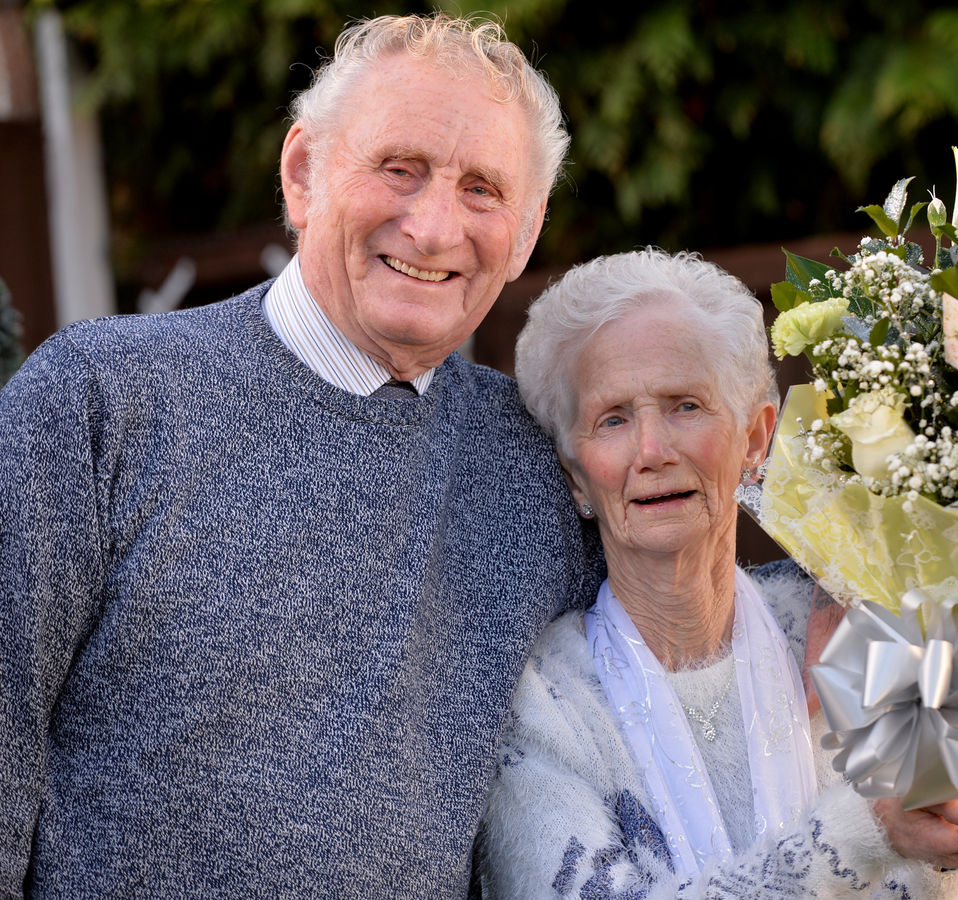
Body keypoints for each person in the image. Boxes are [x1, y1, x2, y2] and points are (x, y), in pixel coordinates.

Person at [0, 14, 602, 898]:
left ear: (527, 230)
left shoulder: (541, 467)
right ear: (302, 172)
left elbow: (683, 654)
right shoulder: (98, 398)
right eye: (400, 168)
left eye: (483, 190)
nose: (435, 227)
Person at [475, 248, 958, 898]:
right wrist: (867, 830)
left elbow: (941, 870)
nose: (652, 450)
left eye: (686, 406)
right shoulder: (540, 702)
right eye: (613, 419)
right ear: (575, 477)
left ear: (755, 441)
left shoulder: (849, 622)